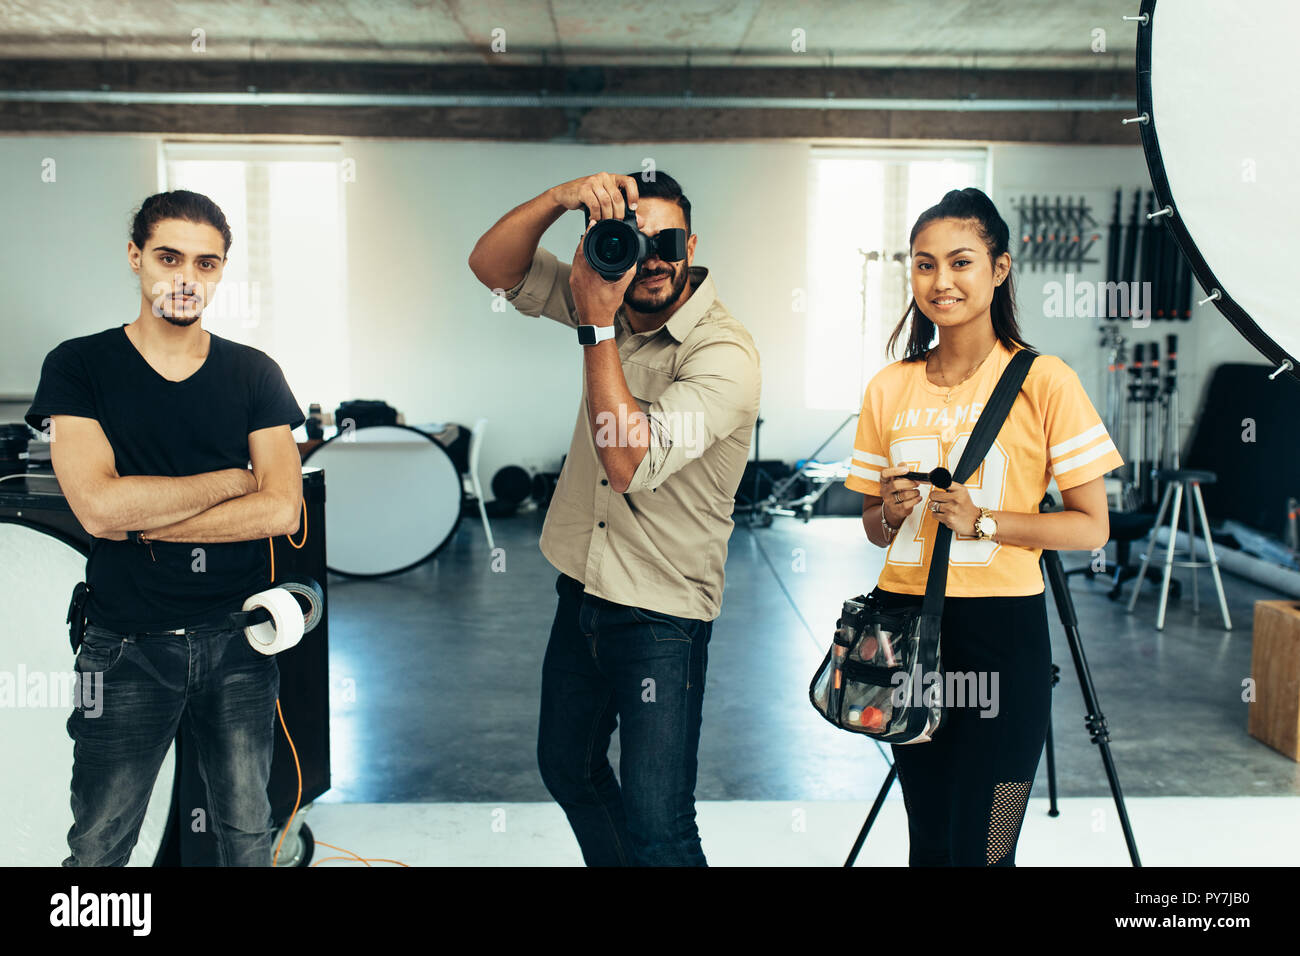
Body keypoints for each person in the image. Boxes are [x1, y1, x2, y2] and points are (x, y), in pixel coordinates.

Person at [468, 170, 761, 865]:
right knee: (567, 765)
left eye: (667, 240)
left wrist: (595, 319)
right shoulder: (612, 300)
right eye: (634, 242)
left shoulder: (722, 352)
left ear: (690, 243)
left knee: (661, 824)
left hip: (662, 613)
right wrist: (556, 198)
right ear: (607, 243)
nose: (652, 259)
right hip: (584, 589)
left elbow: (629, 462)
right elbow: (490, 265)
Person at [844, 187, 1123, 866]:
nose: (941, 281)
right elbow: (874, 531)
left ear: (998, 269)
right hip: (907, 632)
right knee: (929, 842)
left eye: (961, 262)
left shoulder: (1044, 380)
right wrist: (893, 509)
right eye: (924, 264)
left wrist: (986, 521)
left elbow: (1091, 529)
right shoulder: (889, 387)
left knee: (988, 850)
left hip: (1003, 637)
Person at [24, 190, 305, 866]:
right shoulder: (79, 365)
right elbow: (96, 508)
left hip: (239, 641)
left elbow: (281, 510)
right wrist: (234, 481)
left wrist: (142, 519)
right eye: (168, 257)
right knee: (98, 843)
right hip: (124, 646)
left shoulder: (253, 372)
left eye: (206, 264)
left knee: (245, 834)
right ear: (135, 258)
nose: (186, 278)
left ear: (221, 271)